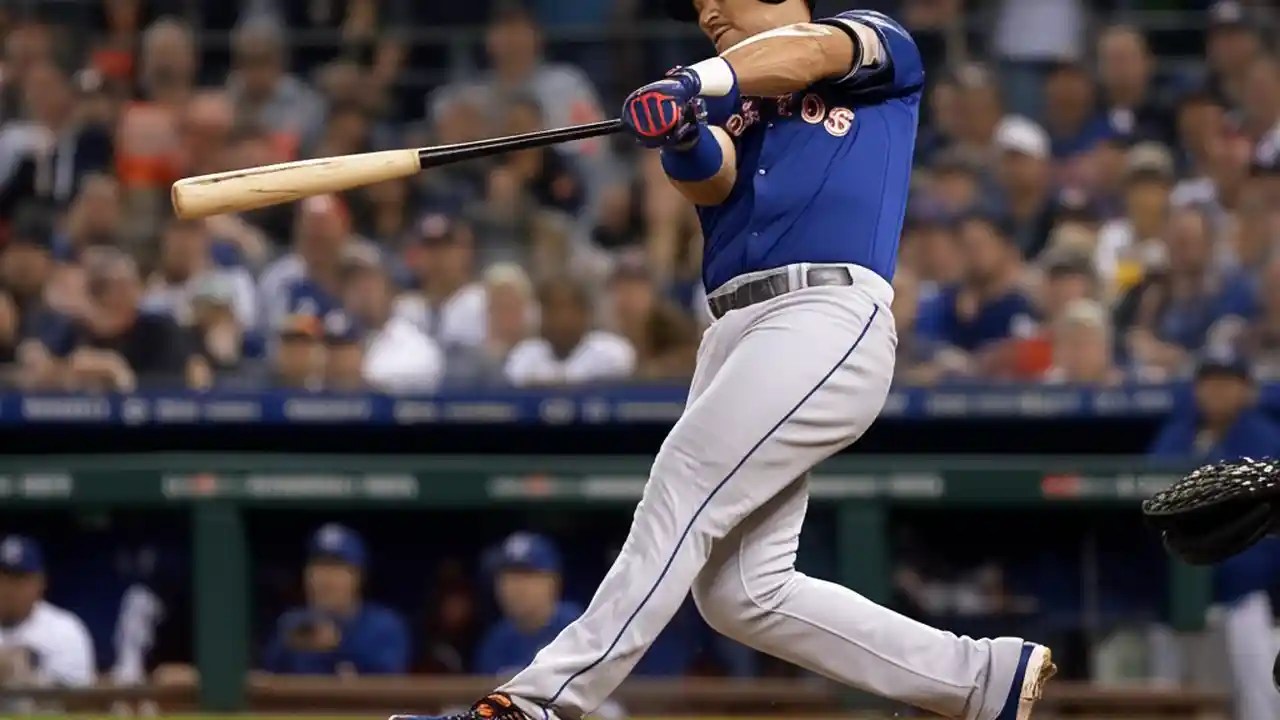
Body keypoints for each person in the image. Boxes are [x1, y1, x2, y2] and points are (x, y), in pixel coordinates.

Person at [395, 4, 1054, 720]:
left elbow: (808, 51)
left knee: (683, 482)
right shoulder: (728, 98)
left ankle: (535, 705)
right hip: (736, 328)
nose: (706, 8)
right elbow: (714, 180)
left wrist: (697, 82)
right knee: (742, 592)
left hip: (823, 311)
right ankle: (981, 679)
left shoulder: (870, 40)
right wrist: (681, 134)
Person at [1148, 351, 1280, 720]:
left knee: (1259, 702)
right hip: (1176, 595)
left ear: (1246, 390)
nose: (1217, 392)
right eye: (1209, 383)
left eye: (1227, 383)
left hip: (1245, 596)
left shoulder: (1266, 438)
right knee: (1167, 695)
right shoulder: (1177, 435)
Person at [263, 524, 410, 676]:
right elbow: (266, 679)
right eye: (318, 566)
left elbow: (388, 682)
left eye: (336, 568)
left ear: (358, 576)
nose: (325, 579)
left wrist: (338, 646)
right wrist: (287, 645)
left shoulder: (383, 626)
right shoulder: (292, 623)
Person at [0, 535, 95, 715]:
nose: (7, 588)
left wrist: (25, 677)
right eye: (2, 577)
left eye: (18, 578)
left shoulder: (65, 630)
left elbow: (80, 702)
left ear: (40, 582)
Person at [474, 533, 581, 677]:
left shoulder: (578, 629)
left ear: (553, 582)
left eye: (527, 575)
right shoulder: (495, 641)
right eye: (509, 576)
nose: (516, 587)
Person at [504, 277, 634, 388]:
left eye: (567, 309)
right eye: (551, 310)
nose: (559, 319)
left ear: (585, 314)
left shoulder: (611, 352)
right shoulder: (524, 354)